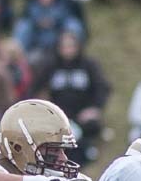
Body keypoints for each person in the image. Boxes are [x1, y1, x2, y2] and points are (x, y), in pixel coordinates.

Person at [30, 31, 110, 165]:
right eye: (64, 46)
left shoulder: (89, 65)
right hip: (58, 115)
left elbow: (102, 88)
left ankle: (87, 152)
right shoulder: (51, 65)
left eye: (71, 46)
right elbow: (35, 88)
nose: (68, 50)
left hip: (82, 113)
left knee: (92, 126)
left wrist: (95, 108)